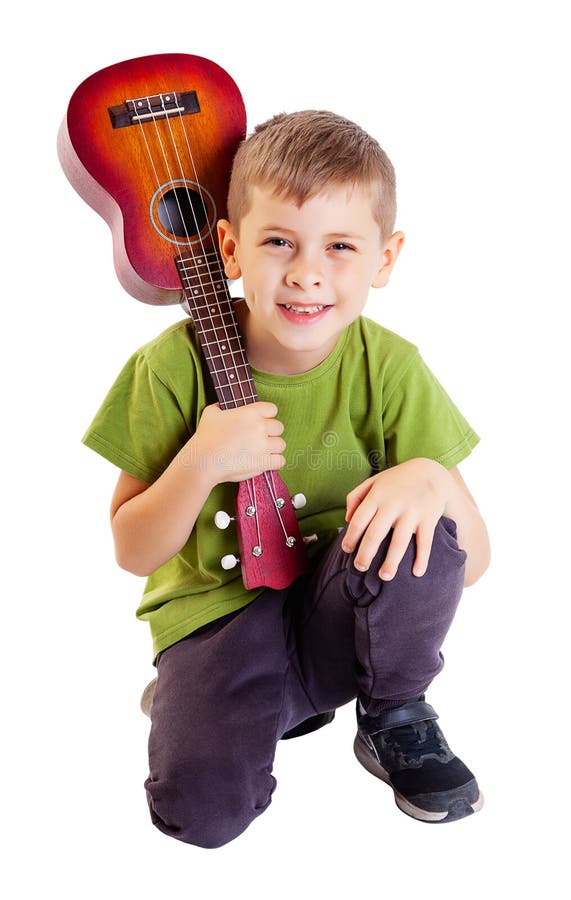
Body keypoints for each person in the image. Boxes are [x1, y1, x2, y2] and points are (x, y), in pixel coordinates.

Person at [83, 109, 490, 848]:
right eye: (278, 241)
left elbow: (472, 561)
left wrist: (430, 479)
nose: (306, 272)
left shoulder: (389, 366)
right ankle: (247, 698)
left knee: (420, 520)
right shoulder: (168, 368)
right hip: (220, 618)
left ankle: (392, 712)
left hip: (344, 610)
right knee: (201, 814)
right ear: (229, 248)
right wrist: (201, 460)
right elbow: (133, 550)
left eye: (340, 246)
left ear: (385, 258)